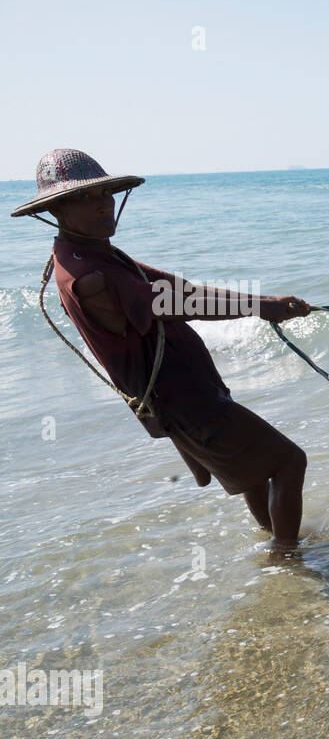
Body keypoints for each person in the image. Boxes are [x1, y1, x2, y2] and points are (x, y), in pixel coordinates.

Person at [10, 149, 311, 550]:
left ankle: (277, 541)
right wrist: (261, 306)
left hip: (185, 391)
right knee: (290, 461)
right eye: (86, 198)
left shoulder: (92, 252)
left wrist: (265, 300)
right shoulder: (89, 275)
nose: (102, 205)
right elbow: (180, 303)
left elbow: (177, 289)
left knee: (253, 473)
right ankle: (287, 559)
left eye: (104, 194)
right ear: (58, 209)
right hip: (182, 397)